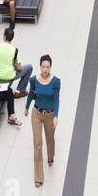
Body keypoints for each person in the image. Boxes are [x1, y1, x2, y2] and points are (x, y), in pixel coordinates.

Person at [25, 56, 60, 188]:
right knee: (38, 144)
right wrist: (27, 107)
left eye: (47, 67)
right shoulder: (34, 80)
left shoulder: (56, 82)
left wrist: (56, 116)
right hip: (37, 114)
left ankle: (50, 157)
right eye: (43, 66)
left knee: (50, 139)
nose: (45, 69)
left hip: (50, 115)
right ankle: (39, 177)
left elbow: (56, 100)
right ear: (40, 67)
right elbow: (31, 95)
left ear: (50, 67)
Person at [0, 27, 32, 123]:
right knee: (29, 67)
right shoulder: (15, 50)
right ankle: (20, 91)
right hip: (8, 78)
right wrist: (13, 65)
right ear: (12, 38)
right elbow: (19, 68)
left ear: (4, 36)